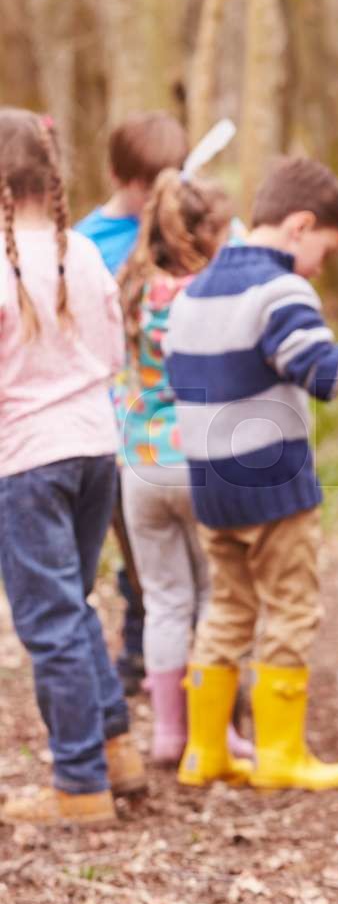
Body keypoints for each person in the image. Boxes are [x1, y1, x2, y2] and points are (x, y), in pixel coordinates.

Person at [165, 155, 338, 791]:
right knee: (291, 611)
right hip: (272, 486)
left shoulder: (195, 289)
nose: (318, 269)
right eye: (323, 253)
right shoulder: (281, 291)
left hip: (211, 486)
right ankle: (279, 755)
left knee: (227, 609)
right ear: (300, 226)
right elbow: (323, 373)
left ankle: (204, 751)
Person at [0, 110, 147, 828]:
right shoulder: (84, 254)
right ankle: (115, 749)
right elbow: (114, 355)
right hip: (96, 449)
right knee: (75, 605)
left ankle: (80, 788)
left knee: (51, 621)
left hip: (28, 462)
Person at [118, 168, 253, 768]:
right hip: (200, 461)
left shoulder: (136, 289)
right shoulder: (210, 292)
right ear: (207, 234)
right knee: (213, 600)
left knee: (166, 600)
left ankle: (168, 735)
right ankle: (214, 733)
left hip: (140, 464)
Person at [76, 112, 190, 698]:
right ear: (122, 176)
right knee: (134, 550)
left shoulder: (192, 228)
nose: (154, 195)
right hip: (114, 420)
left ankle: (178, 659)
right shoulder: (86, 243)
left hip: (189, 425)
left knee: (184, 558)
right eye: (147, 183)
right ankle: (141, 648)